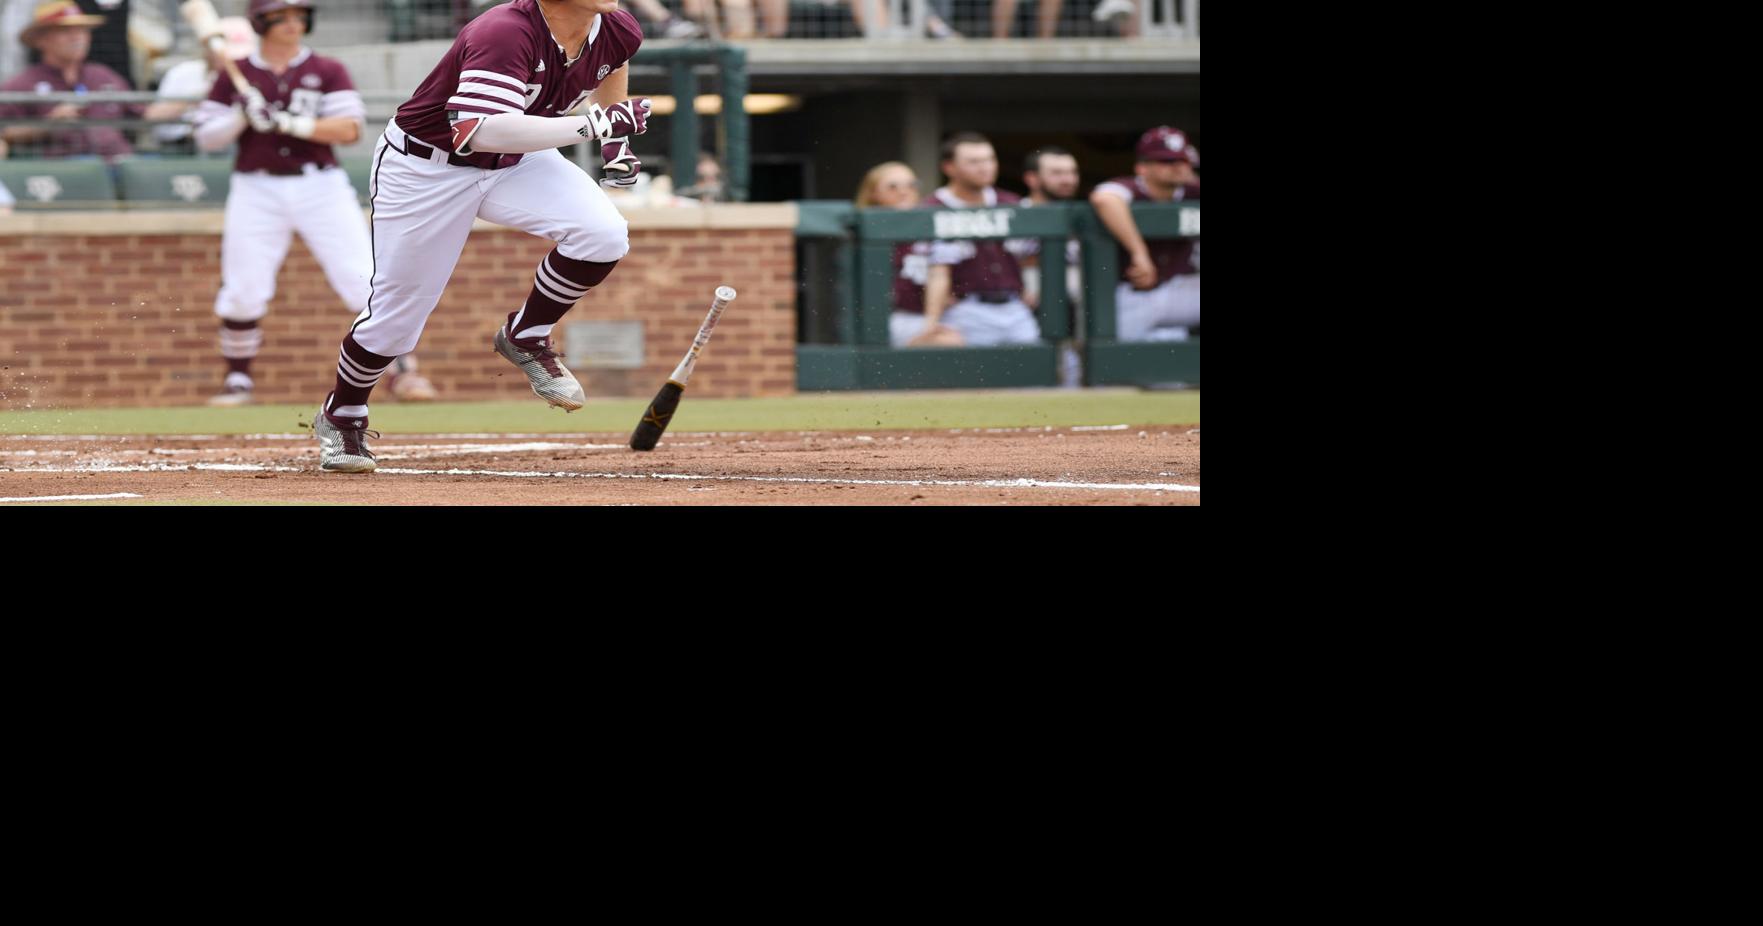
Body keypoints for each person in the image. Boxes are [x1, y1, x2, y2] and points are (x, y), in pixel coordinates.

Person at [310, 0, 650, 473]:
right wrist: (594, 125)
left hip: (517, 159)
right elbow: (478, 131)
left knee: (603, 233)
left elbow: (615, 62)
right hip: (427, 166)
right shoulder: (505, 30)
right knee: (398, 317)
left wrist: (616, 140)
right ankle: (342, 414)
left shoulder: (617, 26)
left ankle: (525, 336)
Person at [188, 0, 437, 406]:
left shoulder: (325, 69)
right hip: (256, 188)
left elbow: (349, 128)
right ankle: (238, 381)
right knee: (244, 287)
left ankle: (403, 371)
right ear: (261, 21)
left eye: (298, 15)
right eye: (282, 16)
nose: (293, 23)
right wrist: (241, 115)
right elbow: (206, 137)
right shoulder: (236, 76)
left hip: (320, 186)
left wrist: (287, 122)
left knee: (363, 280)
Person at [921, 131, 1040, 347]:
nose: (985, 167)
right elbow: (920, 266)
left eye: (989, 159)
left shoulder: (1011, 202)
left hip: (1014, 306)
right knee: (976, 377)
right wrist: (933, 316)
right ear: (949, 167)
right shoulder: (930, 208)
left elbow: (1032, 253)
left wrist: (1032, 285)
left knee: (1033, 373)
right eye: (974, 161)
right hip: (964, 309)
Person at [1089, 125, 1199, 341]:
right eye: (1166, 161)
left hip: (1181, 288)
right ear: (1142, 167)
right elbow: (1104, 198)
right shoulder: (1131, 188)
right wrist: (1139, 252)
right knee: (1115, 363)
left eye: (1182, 160)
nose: (1177, 167)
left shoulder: (1192, 190)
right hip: (1132, 293)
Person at [0, 1, 142, 162]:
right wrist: (47, 125)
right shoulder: (22, 84)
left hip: (120, 161)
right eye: (66, 31)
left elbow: (143, 114)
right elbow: (4, 131)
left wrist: (174, 102)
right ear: (41, 40)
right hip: (64, 171)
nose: (77, 38)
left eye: (82, 31)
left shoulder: (102, 75)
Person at [856, 160, 959, 347]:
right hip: (883, 318)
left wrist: (930, 323)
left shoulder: (929, 223)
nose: (904, 191)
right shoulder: (859, 228)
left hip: (922, 316)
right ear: (873, 193)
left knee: (951, 341)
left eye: (911, 185)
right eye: (893, 187)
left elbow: (939, 274)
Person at [143, 16, 256, 154]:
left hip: (233, 149)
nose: (233, 61)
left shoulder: (253, 75)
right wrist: (200, 96)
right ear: (209, 49)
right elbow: (152, 116)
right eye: (227, 54)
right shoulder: (185, 72)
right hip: (181, 149)